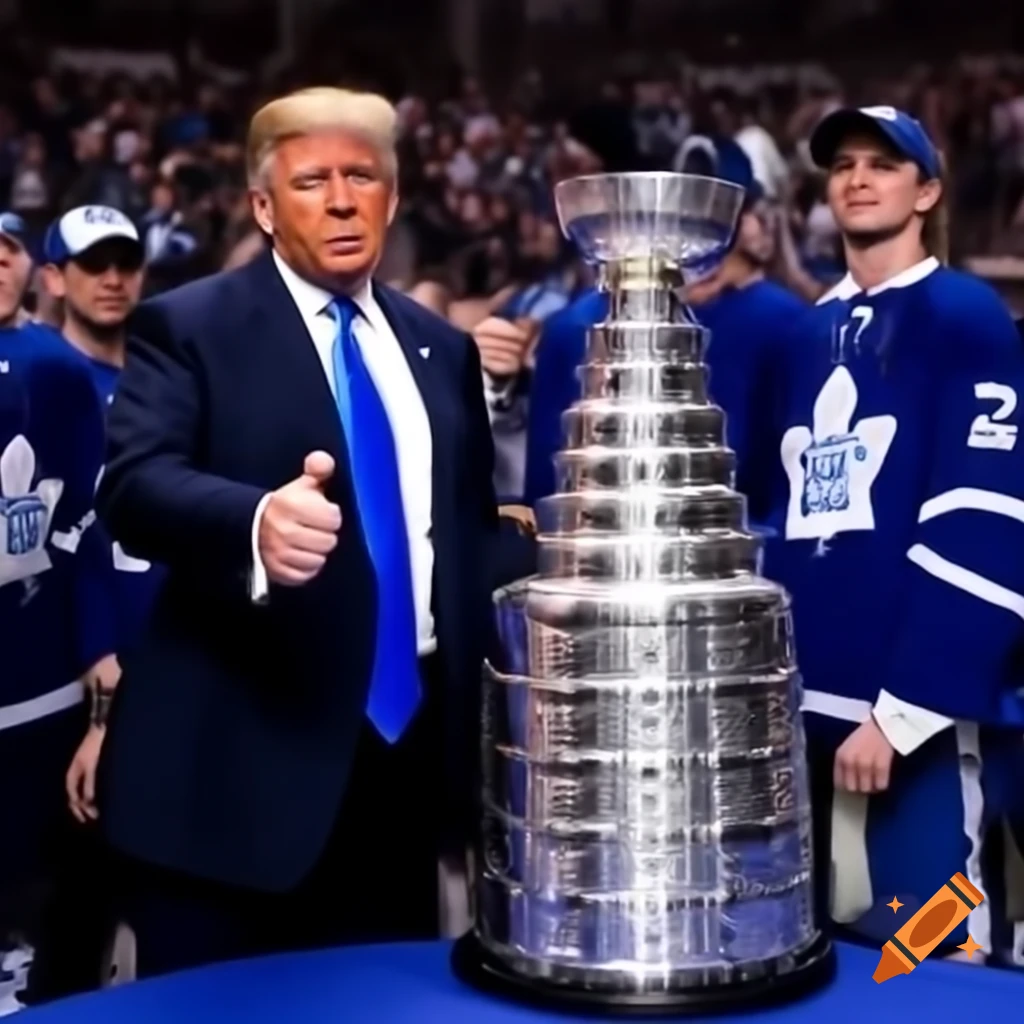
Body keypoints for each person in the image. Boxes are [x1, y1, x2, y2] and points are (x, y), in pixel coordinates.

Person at [94, 86, 533, 979]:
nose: (340, 199)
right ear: (264, 207)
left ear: (393, 196)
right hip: (234, 780)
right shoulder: (191, 327)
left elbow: (462, 533)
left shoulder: (437, 350)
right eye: (311, 181)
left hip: (400, 772)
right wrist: (253, 522)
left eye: (361, 176)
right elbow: (134, 485)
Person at [761, 105, 1024, 960]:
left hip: (912, 715)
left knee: (933, 954)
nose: (859, 177)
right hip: (799, 710)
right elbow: (786, 516)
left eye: (884, 163)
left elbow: (985, 517)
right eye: (843, 165)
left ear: (928, 190)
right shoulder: (806, 333)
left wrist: (907, 707)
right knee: (808, 956)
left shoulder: (964, 314)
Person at [524, 138, 806, 518]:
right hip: (599, 554)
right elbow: (545, 490)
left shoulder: (785, 323)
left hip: (734, 554)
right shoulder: (575, 327)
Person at [0, 212, 109, 1011]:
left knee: (40, 896)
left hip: (39, 690)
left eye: (4, 252)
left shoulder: (56, 370)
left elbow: (94, 524)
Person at [37, 206, 158, 825]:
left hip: (169, 655)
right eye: (93, 264)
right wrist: (97, 656)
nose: (112, 278)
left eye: (125, 263)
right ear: (55, 278)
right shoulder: (38, 381)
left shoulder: (167, 377)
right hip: (72, 667)